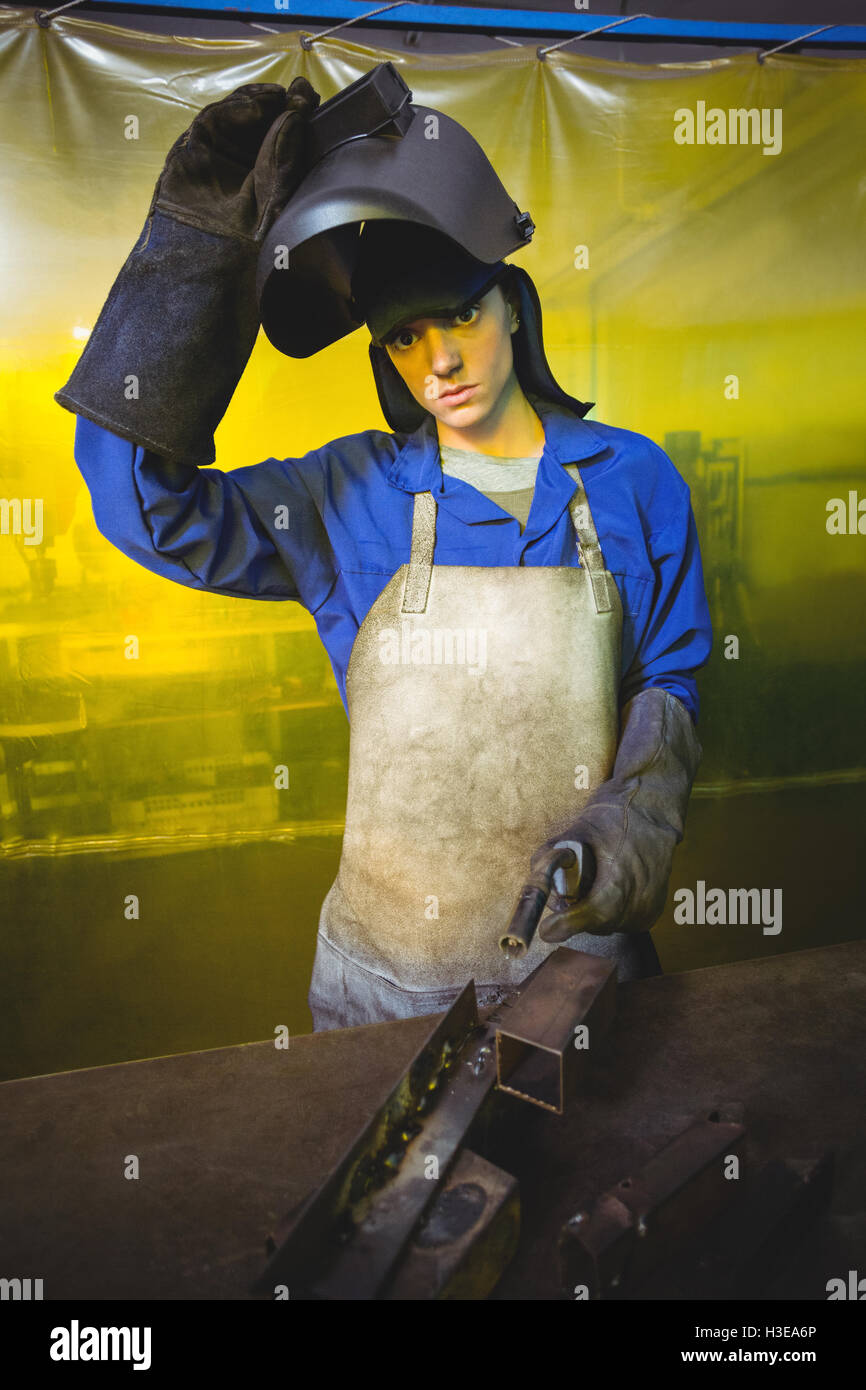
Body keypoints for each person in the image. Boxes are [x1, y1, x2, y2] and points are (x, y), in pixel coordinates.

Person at [56, 78, 712, 1031]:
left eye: (459, 316)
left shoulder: (634, 483)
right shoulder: (340, 499)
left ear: (514, 307)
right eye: (404, 336)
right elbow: (148, 512)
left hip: (583, 981)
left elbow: (673, 685)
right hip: (382, 999)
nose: (438, 360)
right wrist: (196, 258)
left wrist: (623, 835)